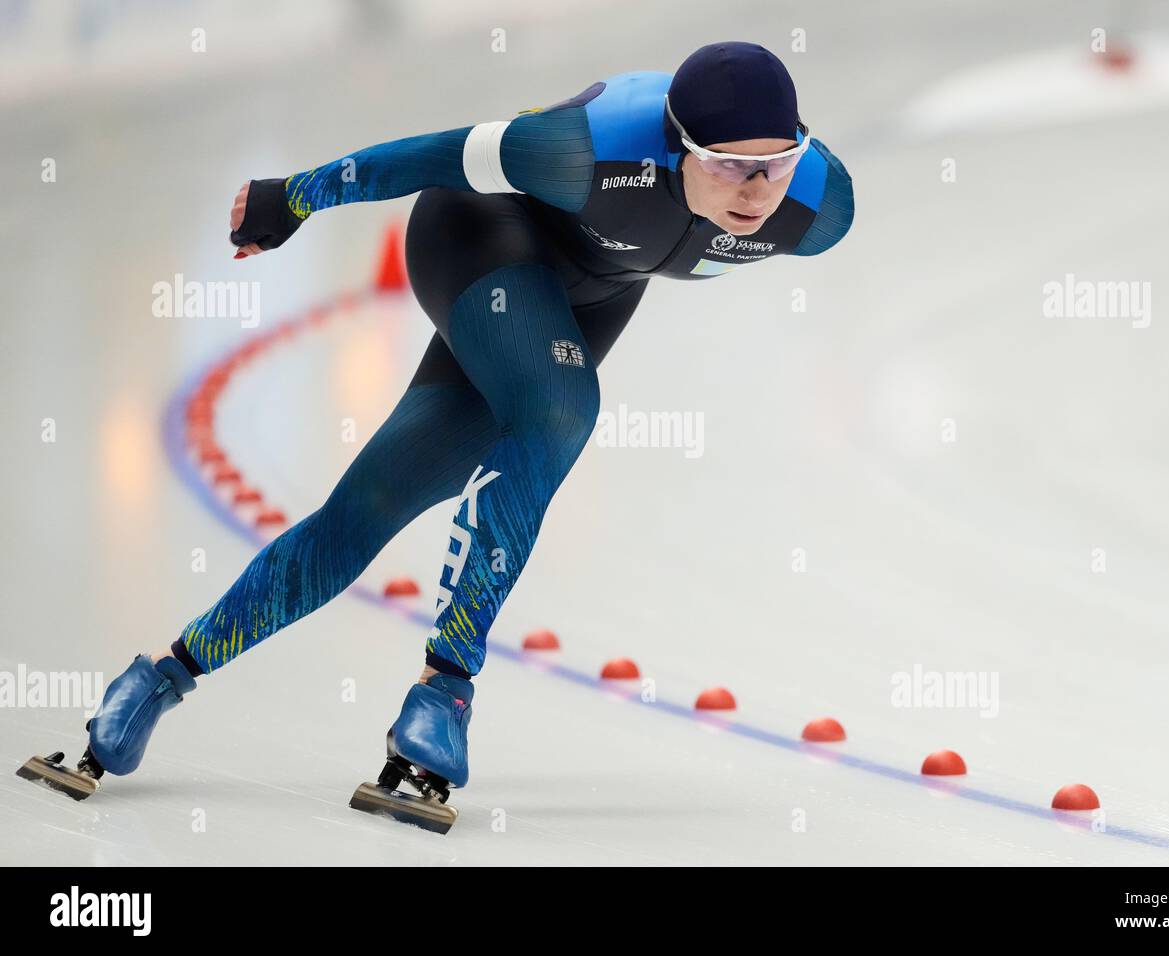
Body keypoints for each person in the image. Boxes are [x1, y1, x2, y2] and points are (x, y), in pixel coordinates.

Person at [22, 42, 854, 821]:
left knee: (369, 510)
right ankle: (445, 688)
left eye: (774, 165)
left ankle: (157, 681)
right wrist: (296, 196)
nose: (754, 190)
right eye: (728, 166)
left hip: (584, 298)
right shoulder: (587, 148)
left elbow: (764, 191)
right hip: (476, 234)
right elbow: (439, 152)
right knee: (564, 405)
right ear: (675, 147)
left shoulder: (817, 207)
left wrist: (769, 176)